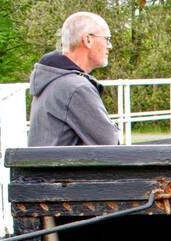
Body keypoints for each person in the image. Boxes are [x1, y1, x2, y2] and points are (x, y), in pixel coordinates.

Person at [27, 12, 119, 147]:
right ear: (88, 40)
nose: (109, 46)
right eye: (107, 39)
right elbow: (111, 145)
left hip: (47, 167)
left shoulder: (52, 79)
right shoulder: (75, 88)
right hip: (63, 168)